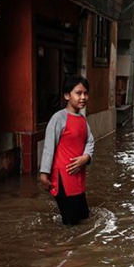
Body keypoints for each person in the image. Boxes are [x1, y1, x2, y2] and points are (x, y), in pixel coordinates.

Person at [39, 76, 95, 225]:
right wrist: (44, 174)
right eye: (78, 93)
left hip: (78, 176)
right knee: (71, 223)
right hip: (62, 178)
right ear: (67, 96)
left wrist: (86, 157)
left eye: (85, 93)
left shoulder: (82, 119)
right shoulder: (58, 118)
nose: (83, 97)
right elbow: (49, 147)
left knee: (84, 216)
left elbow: (90, 141)